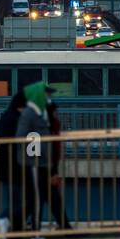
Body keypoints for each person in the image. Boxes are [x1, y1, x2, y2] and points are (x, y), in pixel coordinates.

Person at [12, 82, 52, 234]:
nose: (49, 97)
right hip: (33, 162)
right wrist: (32, 151)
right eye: (46, 94)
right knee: (35, 198)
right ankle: (34, 231)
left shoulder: (40, 113)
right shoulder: (29, 114)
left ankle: (13, 222)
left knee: (36, 198)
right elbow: (21, 136)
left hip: (39, 162)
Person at [0, 91, 27, 237]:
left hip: (6, 165)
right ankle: (3, 221)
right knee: (17, 201)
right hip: (14, 166)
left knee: (15, 199)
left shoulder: (7, 116)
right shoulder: (16, 119)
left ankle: (14, 228)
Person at [44, 99, 72, 230]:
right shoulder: (48, 128)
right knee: (34, 202)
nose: (57, 114)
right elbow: (48, 151)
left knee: (51, 199)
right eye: (55, 112)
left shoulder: (51, 126)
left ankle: (64, 225)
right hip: (44, 169)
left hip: (44, 168)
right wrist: (52, 172)